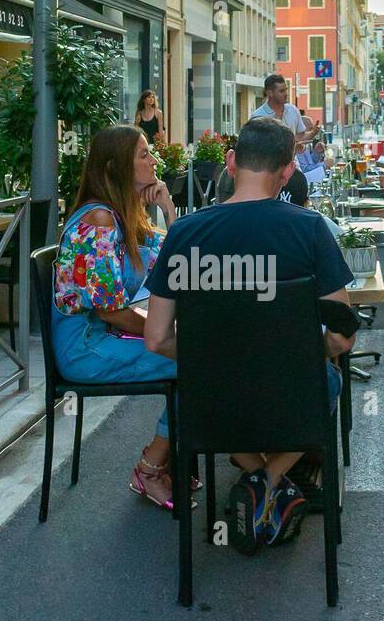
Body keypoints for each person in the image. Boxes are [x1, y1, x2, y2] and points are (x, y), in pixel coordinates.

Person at [143, 117, 357, 552]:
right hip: (292, 396)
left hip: (213, 401)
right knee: (329, 379)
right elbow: (341, 336)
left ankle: (261, 481)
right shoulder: (311, 229)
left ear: (231, 162)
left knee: (200, 396)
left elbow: (156, 338)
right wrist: (298, 356)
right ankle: (271, 479)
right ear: (289, 170)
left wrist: (212, 360)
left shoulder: (184, 233)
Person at [51, 125, 188, 511]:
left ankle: (174, 458)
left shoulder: (121, 216)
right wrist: (164, 331)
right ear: (116, 167)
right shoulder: (99, 221)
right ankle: (150, 468)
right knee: (196, 358)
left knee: (192, 349)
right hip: (86, 349)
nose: (153, 161)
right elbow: (110, 310)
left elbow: (175, 257)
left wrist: (166, 207)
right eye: (144, 154)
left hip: (105, 336)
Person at [249, 74, 313, 146]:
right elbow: (254, 146)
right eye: (281, 91)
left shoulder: (293, 110)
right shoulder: (258, 117)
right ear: (270, 93)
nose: (286, 94)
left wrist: (313, 133)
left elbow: (300, 137)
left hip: (292, 157)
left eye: (286, 90)